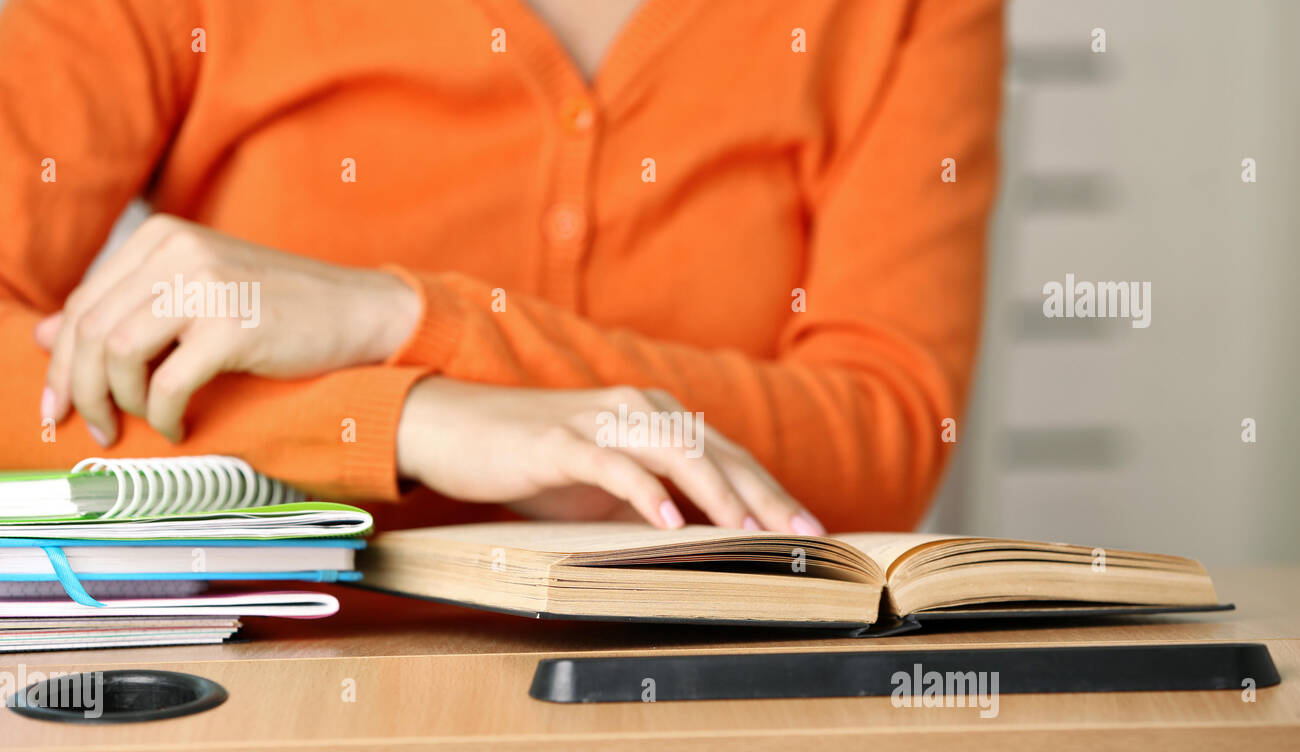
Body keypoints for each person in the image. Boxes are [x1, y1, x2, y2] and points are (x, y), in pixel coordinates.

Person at [0, 0, 1002, 535]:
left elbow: (887, 434)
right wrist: (407, 419)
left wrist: (402, 317)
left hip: (717, 724)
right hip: (267, 723)